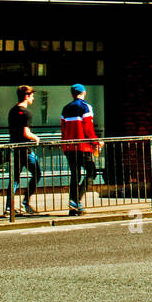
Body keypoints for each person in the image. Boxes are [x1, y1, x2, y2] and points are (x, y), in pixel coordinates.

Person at [60, 84, 102, 216]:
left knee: (75, 175)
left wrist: (64, 146)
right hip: (83, 146)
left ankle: (73, 206)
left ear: (72, 94)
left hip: (69, 146)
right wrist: (96, 141)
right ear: (84, 92)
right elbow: (88, 128)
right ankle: (76, 200)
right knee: (92, 172)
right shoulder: (86, 107)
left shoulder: (65, 109)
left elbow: (63, 129)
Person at [8, 85, 42, 216]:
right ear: (27, 96)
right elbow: (26, 133)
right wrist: (36, 138)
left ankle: (8, 208)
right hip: (26, 150)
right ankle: (25, 203)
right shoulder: (27, 113)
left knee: (14, 178)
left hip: (14, 148)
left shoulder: (12, 111)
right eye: (32, 95)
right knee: (37, 173)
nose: (33, 98)